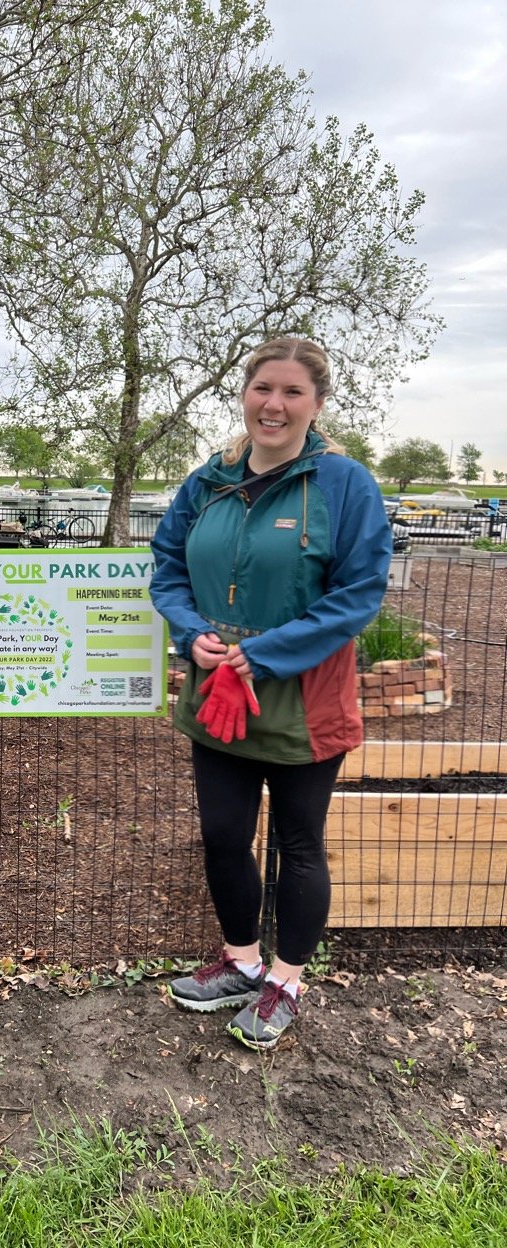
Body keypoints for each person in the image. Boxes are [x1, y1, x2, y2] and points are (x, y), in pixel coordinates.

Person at [149, 337, 391, 1051]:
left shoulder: (346, 486)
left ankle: (285, 980)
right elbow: (167, 568)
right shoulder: (209, 480)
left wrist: (268, 654)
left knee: (299, 843)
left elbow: (358, 593)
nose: (274, 405)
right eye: (263, 389)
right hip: (216, 688)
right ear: (244, 394)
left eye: (291, 393)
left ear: (316, 405)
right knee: (223, 835)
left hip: (304, 700)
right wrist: (192, 632)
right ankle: (240, 960)